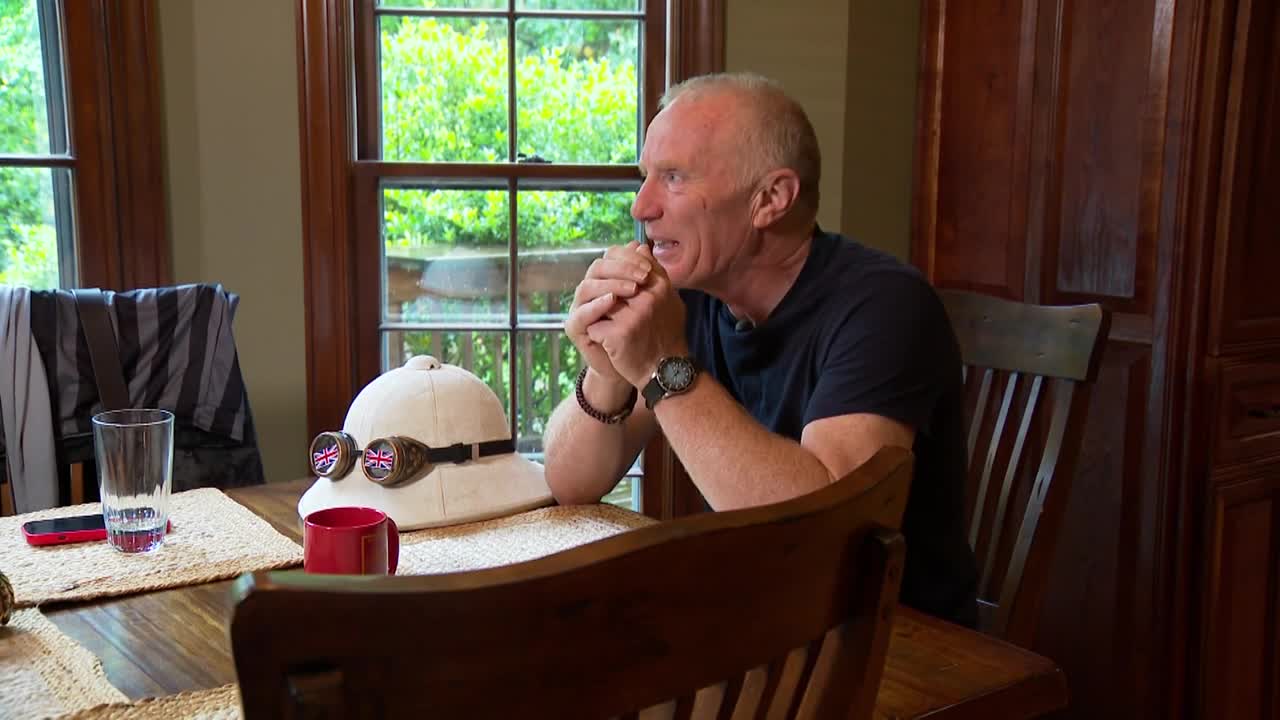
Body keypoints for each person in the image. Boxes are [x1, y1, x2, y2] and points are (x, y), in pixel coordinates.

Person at [542, 72, 978, 625]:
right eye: (645, 176)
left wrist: (659, 363)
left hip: (890, 635)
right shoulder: (690, 294)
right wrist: (606, 367)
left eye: (673, 178)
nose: (641, 205)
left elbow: (825, 530)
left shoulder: (885, 305)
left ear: (771, 198)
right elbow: (570, 484)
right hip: (754, 616)